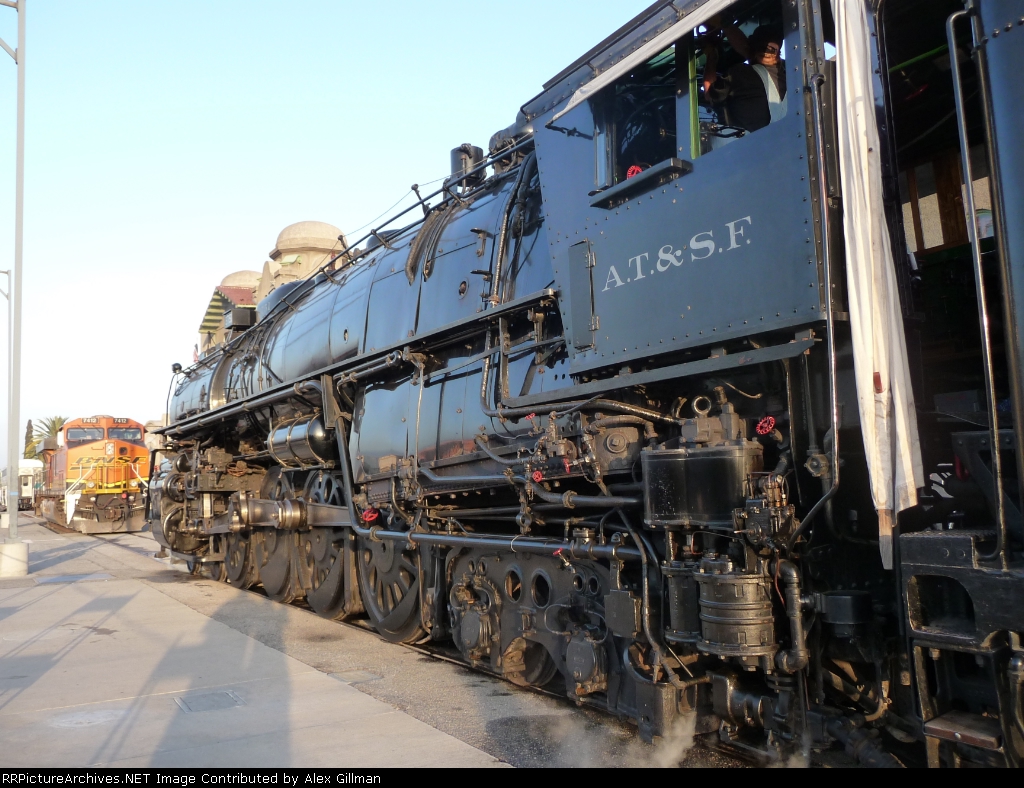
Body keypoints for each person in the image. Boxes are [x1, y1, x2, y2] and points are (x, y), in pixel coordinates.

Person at [704, 25, 787, 136]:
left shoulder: (740, 73)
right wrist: (725, 23)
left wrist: (711, 55)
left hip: (748, 147)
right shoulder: (790, 74)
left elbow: (709, 93)